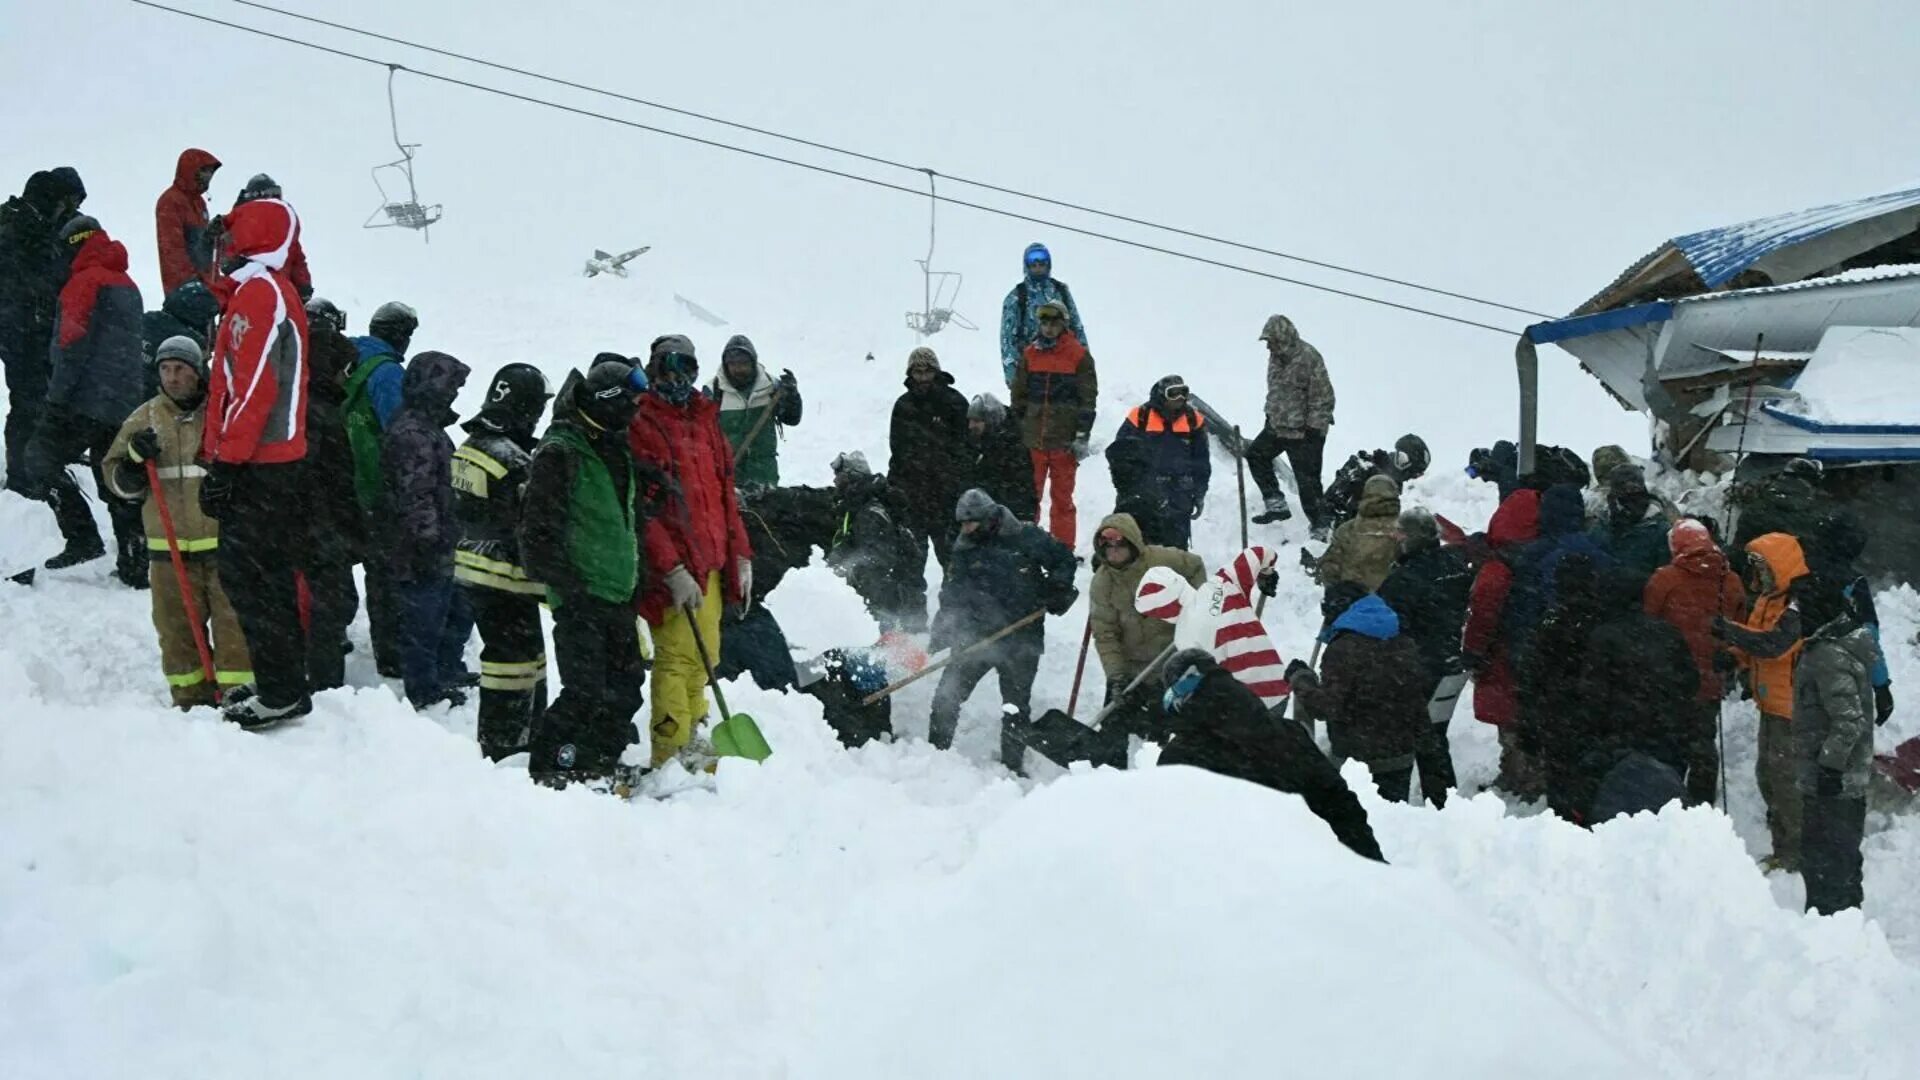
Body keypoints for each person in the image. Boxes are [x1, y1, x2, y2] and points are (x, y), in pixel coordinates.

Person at [197, 195, 311, 729]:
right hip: (260, 460)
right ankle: (279, 681)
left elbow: (254, 388)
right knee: (255, 578)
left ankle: (283, 687)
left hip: (265, 463)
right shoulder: (251, 293)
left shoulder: (263, 294)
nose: (222, 245)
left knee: (252, 578)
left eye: (231, 234)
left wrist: (226, 463)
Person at [101, 336, 251, 706]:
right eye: (165, 369)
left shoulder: (221, 413)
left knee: (234, 626)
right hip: (168, 552)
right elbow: (115, 479)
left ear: (197, 372)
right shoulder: (144, 418)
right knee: (176, 630)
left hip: (222, 546)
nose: (172, 377)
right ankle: (190, 697)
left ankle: (239, 694)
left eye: (180, 369)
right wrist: (134, 463)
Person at [520, 361, 649, 785]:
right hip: (580, 594)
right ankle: (553, 766)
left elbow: (625, 518)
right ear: (609, 400)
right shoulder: (561, 450)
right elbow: (537, 532)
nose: (635, 408)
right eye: (629, 400)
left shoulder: (616, 446)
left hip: (617, 592)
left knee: (626, 688)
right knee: (585, 691)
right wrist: (569, 589)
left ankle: (596, 762)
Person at [630, 334, 754, 768]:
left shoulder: (705, 418)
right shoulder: (643, 421)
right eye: (668, 365)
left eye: (688, 367)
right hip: (678, 565)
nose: (678, 376)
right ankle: (669, 750)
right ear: (654, 368)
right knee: (677, 658)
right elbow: (643, 510)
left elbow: (724, 491)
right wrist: (671, 569)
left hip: (714, 560)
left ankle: (694, 733)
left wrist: (741, 555)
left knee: (707, 656)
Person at [1158, 649, 1384, 862]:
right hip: (1305, 874)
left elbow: (1169, 842)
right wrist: (1374, 868)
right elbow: (1340, 806)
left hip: (1230, 888)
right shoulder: (1290, 734)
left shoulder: (1180, 758)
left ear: (1180, 698)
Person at [23, 215, 146, 579]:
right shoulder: (129, 284)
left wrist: (55, 400)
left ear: (73, 244)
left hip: (82, 402)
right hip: (123, 402)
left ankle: (82, 538)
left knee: (39, 460)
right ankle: (134, 560)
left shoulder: (83, 282)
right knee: (113, 476)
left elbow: (70, 346)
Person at [928, 489, 1078, 773]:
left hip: (1022, 639)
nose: (966, 528)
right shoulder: (964, 548)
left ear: (988, 520)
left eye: (971, 522)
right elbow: (951, 595)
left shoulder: (1026, 537)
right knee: (946, 697)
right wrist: (943, 632)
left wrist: (1057, 589)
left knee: (1015, 707)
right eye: (963, 523)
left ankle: (1012, 767)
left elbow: (1063, 560)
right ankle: (935, 758)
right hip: (975, 639)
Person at [452, 362, 552, 756]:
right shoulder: (514, 460)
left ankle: (524, 734)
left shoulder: (472, 445)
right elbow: (528, 524)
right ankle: (503, 743)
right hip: (506, 578)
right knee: (511, 664)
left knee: (526, 657)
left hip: (473, 570)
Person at [1716, 532, 1812, 871]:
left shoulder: (1797, 605)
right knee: (1767, 776)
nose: (1758, 574)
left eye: (1764, 567)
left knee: (1785, 781)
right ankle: (1781, 844)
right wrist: (1734, 658)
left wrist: (1729, 631)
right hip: (1769, 704)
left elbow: (1773, 645)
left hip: (1790, 710)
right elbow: (1753, 643)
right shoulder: (1766, 600)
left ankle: (1796, 852)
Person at [1573, 567, 1699, 817]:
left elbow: (1593, 696)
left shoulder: (1604, 637)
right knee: (1666, 802)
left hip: (1621, 737)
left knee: (1622, 806)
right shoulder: (1667, 632)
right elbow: (1691, 680)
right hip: (1667, 732)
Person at [1791, 582, 1882, 914]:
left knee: (1822, 860)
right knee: (1842, 858)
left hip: (1833, 780)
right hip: (1846, 778)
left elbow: (1848, 720)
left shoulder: (1828, 654)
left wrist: (1829, 766)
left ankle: (1827, 930)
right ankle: (1846, 923)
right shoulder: (1844, 643)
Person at [1643, 519, 1747, 805]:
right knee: (1702, 742)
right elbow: (1742, 631)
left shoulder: (1664, 579)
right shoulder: (1732, 580)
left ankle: (1669, 801)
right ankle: (1702, 804)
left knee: (1669, 744)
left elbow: (1648, 622)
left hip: (1671, 677)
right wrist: (1732, 659)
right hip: (1711, 676)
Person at [1288, 591, 1428, 802]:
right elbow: (1416, 699)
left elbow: (1327, 707)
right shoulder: (1403, 642)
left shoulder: (1343, 650)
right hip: (1401, 755)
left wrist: (1300, 680)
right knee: (1394, 823)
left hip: (1358, 761)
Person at [1377, 507, 1473, 807]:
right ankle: (1444, 801)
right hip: (1450, 660)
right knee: (1434, 738)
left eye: (1401, 534)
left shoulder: (1404, 579)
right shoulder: (1455, 564)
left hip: (1419, 666)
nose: (1396, 538)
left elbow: (1385, 623)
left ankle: (1404, 808)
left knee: (1409, 740)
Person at [344, 300, 419, 676]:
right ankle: (392, 655)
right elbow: (400, 429)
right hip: (378, 485)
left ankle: (339, 637)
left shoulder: (347, 359)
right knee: (387, 574)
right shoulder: (387, 373)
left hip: (345, 481)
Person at [1, 169, 87, 494]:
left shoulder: (32, 223)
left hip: (28, 328)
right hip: (21, 330)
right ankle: (22, 476)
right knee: (28, 399)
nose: (71, 208)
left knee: (42, 396)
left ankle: (40, 462)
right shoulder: (21, 227)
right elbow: (26, 280)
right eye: (69, 200)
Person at [1135, 545, 1291, 710]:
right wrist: (1266, 574)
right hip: (1279, 683)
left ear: (1162, 611)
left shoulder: (1185, 639)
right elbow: (1259, 552)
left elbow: (1205, 683)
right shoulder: (1222, 582)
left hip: (1249, 706)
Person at [298, 298, 362, 693]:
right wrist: (350, 529)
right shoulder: (320, 414)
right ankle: (326, 688)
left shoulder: (300, 405)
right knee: (326, 611)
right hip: (321, 532)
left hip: (307, 528)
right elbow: (335, 481)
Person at [1462, 488, 1543, 795]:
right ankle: (1530, 773)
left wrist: (1472, 652)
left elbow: (1482, 613)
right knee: (1527, 714)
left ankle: (1518, 775)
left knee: (1509, 721)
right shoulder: (1542, 556)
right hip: (1537, 647)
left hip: (1503, 652)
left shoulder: (1497, 568)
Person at [1517, 553, 1609, 819]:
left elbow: (1531, 675)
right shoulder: (1603, 618)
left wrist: (1528, 723)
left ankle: (1566, 823)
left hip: (1559, 712)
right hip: (1595, 713)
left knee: (1561, 779)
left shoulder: (1552, 620)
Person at [1089, 512, 1206, 706]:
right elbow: (1105, 635)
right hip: (1133, 669)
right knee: (1115, 721)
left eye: (1120, 546)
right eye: (1108, 547)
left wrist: (1196, 605)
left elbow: (1194, 566)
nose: (1114, 552)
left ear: (1132, 543)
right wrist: (1116, 676)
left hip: (1174, 658)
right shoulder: (1103, 583)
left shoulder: (1161, 559)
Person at [1011, 297, 1098, 548]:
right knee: (1030, 498)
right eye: (1044, 322)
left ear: (1063, 324)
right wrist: (1019, 426)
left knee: (1062, 500)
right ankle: (1027, 548)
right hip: (1033, 441)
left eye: (1053, 322)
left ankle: (1062, 551)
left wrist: (1082, 434)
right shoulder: (1029, 354)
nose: (1048, 327)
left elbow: (1088, 399)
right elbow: (1019, 395)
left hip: (1064, 442)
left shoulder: (1079, 356)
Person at [1247, 314, 1334, 534]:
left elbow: (1323, 397)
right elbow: (1278, 391)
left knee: (1309, 484)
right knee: (1256, 455)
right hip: (1277, 427)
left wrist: (1313, 431)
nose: (1268, 346)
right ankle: (1276, 504)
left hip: (1304, 433)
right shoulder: (1275, 358)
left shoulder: (1309, 357)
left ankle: (1320, 527)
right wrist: (1271, 416)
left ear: (1282, 338)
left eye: (1270, 341)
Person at [826, 451, 928, 634]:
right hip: (889, 603)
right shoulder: (857, 508)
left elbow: (877, 566)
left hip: (895, 612)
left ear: (852, 478)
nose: (835, 483)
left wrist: (847, 573)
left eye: (839, 478)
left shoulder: (871, 514)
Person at [887, 346, 970, 567]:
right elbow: (897, 451)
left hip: (947, 495)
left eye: (927, 371)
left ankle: (955, 602)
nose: (923, 377)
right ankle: (911, 603)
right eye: (917, 372)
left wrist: (959, 484)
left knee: (953, 558)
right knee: (911, 560)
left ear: (936, 371)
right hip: (913, 495)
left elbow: (966, 448)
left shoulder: (955, 402)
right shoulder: (903, 405)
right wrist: (893, 488)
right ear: (910, 374)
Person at [1106, 375, 1210, 549]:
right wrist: (1129, 488)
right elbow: (1119, 454)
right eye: (1173, 394)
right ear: (1161, 394)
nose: (1180, 399)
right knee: (1138, 543)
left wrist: (1199, 492)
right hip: (1142, 490)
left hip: (1179, 493)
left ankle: (1174, 575)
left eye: (1183, 393)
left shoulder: (1193, 420)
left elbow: (1201, 461)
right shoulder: (1140, 416)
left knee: (1176, 548)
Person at [706, 334, 799, 491]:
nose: (738, 369)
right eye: (733, 364)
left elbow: (791, 418)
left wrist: (792, 396)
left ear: (753, 362)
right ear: (726, 365)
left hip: (764, 477)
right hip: (727, 479)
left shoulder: (771, 386)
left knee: (764, 516)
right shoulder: (714, 391)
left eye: (743, 364)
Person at [998, 241, 1086, 386]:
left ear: (1048, 264)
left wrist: (1084, 371)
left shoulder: (1061, 292)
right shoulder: (1017, 297)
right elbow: (1007, 342)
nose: (1038, 266)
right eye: (1033, 263)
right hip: (1032, 375)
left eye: (1042, 262)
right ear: (1026, 266)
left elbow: (1077, 329)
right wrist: (1015, 381)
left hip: (1064, 374)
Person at [218, 174, 313, 300]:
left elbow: (226, 258)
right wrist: (304, 287)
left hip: (242, 289)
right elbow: (297, 260)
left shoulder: (236, 223)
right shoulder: (284, 225)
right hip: (278, 290)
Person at [1310, 474, 1401, 592]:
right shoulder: (1405, 530)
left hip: (1353, 602)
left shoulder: (1347, 529)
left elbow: (1329, 568)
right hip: (1393, 604)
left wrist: (1338, 594)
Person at [1321, 434, 1430, 532]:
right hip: (1334, 535)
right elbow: (1332, 502)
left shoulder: (1393, 490)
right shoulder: (1363, 466)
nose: (1408, 476)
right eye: (1402, 460)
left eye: (1415, 475)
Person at [1587, 464, 1670, 592]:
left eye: (1634, 490)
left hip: (1643, 605)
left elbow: (1665, 580)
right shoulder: (1600, 529)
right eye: (1623, 491)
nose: (1630, 498)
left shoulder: (1661, 530)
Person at [961, 392, 1037, 522]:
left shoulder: (1013, 449)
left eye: (977, 421)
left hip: (1006, 520)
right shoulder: (974, 444)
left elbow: (1021, 492)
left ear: (990, 421)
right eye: (970, 420)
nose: (971, 425)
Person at [154, 148, 220, 295]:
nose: (208, 176)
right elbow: (171, 249)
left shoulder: (199, 203)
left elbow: (200, 248)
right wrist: (189, 284)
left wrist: (213, 236)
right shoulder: (171, 201)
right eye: (204, 170)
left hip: (203, 288)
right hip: (184, 292)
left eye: (210, 172)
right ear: (191, 170)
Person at [1731, 458, 1823, 551]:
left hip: (1750, 560)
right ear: (1809, 483)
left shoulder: (1760, 503)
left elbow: (1739, 545)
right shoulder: (1806, 513)